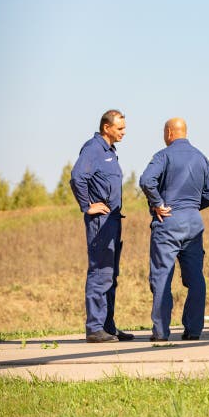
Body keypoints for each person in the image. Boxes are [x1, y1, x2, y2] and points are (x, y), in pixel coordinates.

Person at [140, 118, 209, 341]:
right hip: (194, 223)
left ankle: (162, 332)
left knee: (162, 276)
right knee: (196, 278)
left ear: (168, 132)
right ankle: (193, 330)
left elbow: (147, 180)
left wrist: (158, 204)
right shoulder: (201, 157)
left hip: (168, 222)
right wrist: (192, 208)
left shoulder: (163, 156)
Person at [70, 109, 134, 343]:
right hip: (101, 222)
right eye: (120, 128)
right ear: (106, 128)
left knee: (111, 275)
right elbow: (78, 176)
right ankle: (95, 328)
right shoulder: (93, 149)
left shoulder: (109, 151)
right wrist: (87, 205)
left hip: (113, 221)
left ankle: (107, 326)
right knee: (100, 272)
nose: (124, 132)